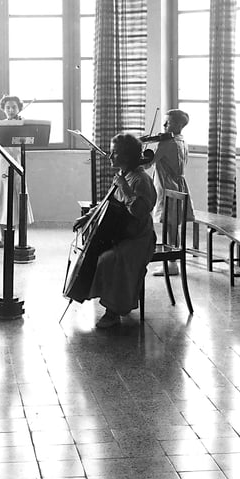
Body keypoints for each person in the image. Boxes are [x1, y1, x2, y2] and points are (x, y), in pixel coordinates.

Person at [73, 132, 157, 330]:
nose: (110, 157)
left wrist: (126, 188)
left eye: (114, 153)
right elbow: (107, 204)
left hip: (138, 238)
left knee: (109, 260)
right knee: (95, 254)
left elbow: (139, 211)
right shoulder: (122, 175)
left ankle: (114, 311)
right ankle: (109, 302)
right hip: (122, 233)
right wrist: (88, 216)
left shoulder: (140, 180)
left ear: (127, 157)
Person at [146, 109, 193, 277]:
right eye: (164, 122)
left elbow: (148, 164)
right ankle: (173, 261)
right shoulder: (181, 141)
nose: (164, 125)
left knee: (168, 226)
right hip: (178, 185)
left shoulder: (166, 143)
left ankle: (171, 263)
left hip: (166, 187)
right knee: (173, 225)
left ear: (179, 125)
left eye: (169, 123)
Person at [0, 95, 34, 248]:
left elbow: (28, 143)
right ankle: (3, 239)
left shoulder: (23, 124)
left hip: (16, 163)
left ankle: (19, 240)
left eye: (14, 107)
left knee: (16, 200)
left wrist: (21, 127)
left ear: (19, 108)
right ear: (3, 109)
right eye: (8, 108)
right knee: (0, 200)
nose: (11, 110)